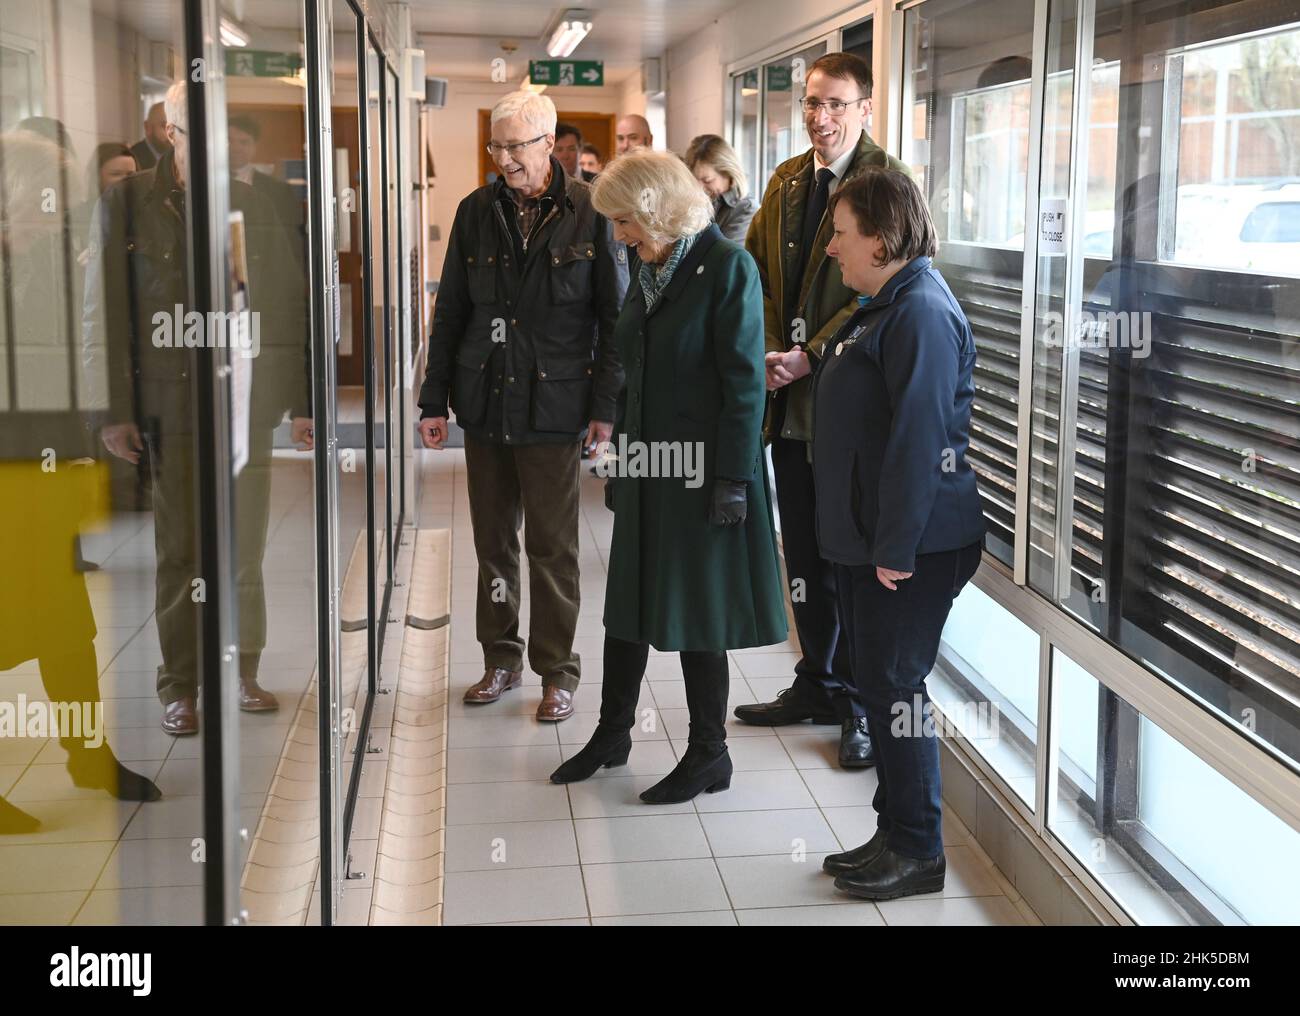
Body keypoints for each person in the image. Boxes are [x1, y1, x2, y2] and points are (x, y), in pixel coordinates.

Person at [550, 150, 787, 802]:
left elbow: (745, 388)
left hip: (705, 475)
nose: (619, 236)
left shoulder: (726, 268)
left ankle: (710, 753)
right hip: (650, 466)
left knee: (698, 616)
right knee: (625, 606)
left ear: (655, 211)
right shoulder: (647, 267)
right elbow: (631, 376)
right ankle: (611, 733)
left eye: (625, 222)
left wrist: (734, 480)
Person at [90, 82, 313, 735]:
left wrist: (299, 401)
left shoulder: (256, 203)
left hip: (245, 406)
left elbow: (288, 308)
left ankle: (243, 668)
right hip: (167, 405)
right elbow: (103, 313)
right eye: (191, 133)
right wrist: (113, 410)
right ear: (167, 132)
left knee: (243, 547)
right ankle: (180, 684)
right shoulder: (128, 203)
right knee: (181, 551)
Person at [416, 90, 627, 723]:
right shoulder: (475, 211)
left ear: (547, 142)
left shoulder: (593, 211)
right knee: (492, 543)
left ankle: (557, 670)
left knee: (553, 546)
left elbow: (614, 321)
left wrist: (604, 409)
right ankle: (500, 658)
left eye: (515, 146)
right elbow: (451, 309)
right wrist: (433, 398)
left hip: (556, 407)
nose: (504, 158)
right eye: (496, 146)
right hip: (485, 403)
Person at [814, 169, 985, 899]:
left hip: (913, 544)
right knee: (880, 686)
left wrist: (894, 549)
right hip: (875, 536)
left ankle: (918, 850)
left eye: (841, 234)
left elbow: (920, 441)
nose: (830, 249)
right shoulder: (885, 303)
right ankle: (894, 830)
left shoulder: (918, 311)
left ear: (880, 239)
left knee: (896, 688)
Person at [739, 51, 912, 769]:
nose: (821, 116)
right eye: (813, 102)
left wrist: (813, 353)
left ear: (865, 109)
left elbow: (884, 287)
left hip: (849, 403)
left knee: (847, 558)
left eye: (838, 103)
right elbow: (756, 274)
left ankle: (858, 706)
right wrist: (776, 348)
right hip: (790, 401)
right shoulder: (786, 180)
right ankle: (816, 680)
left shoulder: (887, 184)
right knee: (804, 551)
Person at [0, 131, 161, 834]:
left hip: (45, 471)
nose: (59, 213)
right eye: (47, 199)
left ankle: (87, 754)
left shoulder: (55, 261)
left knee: (69, 624)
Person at [684, 133, 757, 242]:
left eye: (707, 180)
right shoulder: (696, 203)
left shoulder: (747, 210)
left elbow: (727, 257)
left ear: (728, 173)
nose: (699, 188)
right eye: (694, 181)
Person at [130, 101, 170, 171]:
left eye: (174, 127)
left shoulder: (180, 157)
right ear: (147, 127)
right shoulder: (132, 159)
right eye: (164, 126)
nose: (171, 134)